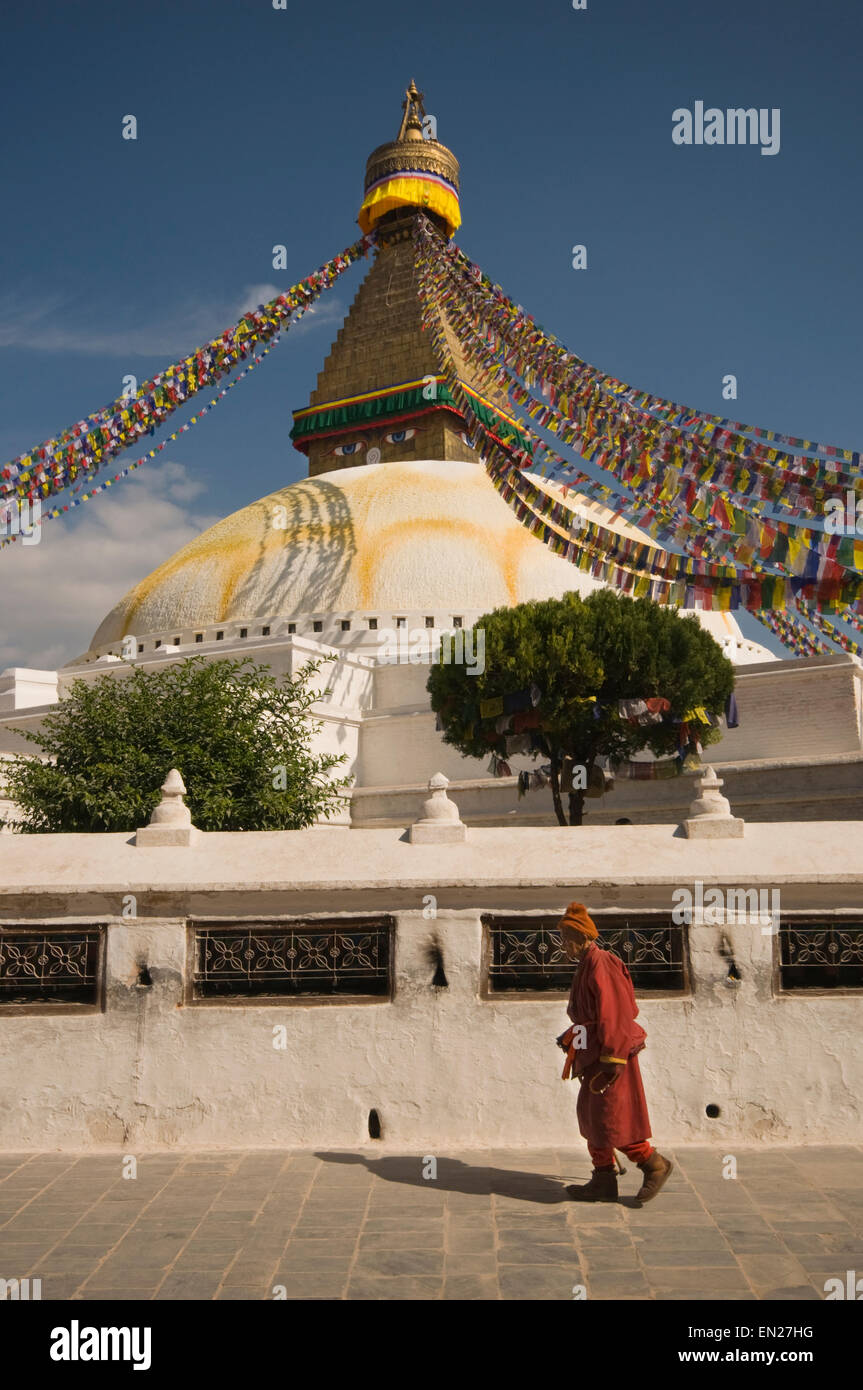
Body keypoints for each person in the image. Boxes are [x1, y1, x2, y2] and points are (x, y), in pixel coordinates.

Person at [556, 902, 672, 1203]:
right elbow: (589, 1016)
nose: (565, 946)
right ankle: (603, 1180)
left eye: (568, 939)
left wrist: (612, 1058)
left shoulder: (602, 963)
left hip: (610, 1056)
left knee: (612, 1118)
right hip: (593, 1054)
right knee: (593, 1118)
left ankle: (654, 1164)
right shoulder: (586, 964)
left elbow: (614, 1013)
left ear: (583, 938)